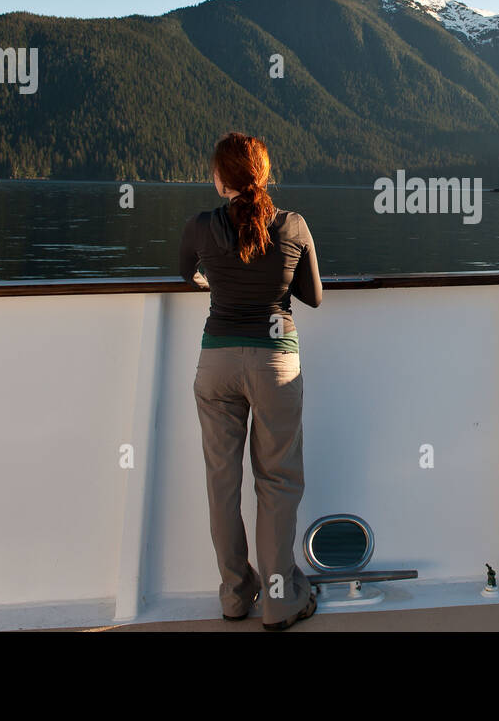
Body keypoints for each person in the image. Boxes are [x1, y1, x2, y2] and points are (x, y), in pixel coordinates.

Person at [178, 132, 322, 630]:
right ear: (263, 175)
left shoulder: (200, 228)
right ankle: (280, 601)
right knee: (277, 482)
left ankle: (236, 596)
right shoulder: (294, 226)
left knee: (222, 483)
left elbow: (186, 274)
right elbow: (313, 296)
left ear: (222, 181)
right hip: (275, 362)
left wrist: (216, 279)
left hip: (216, 361)